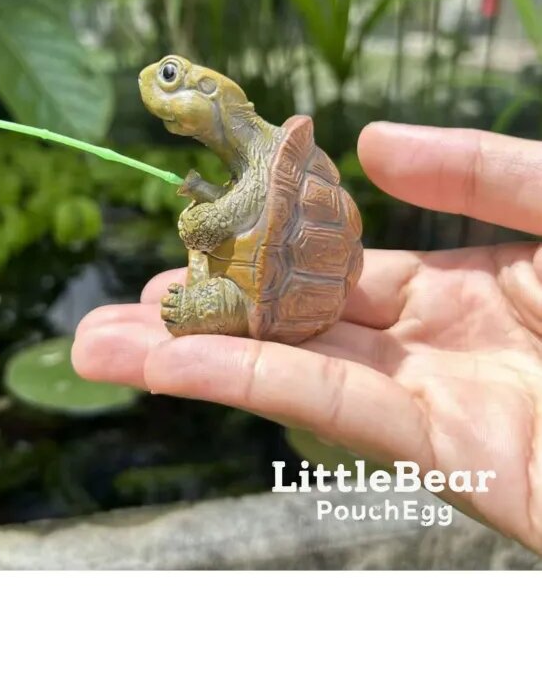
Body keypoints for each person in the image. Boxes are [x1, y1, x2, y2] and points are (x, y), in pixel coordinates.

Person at [72, 121, 542, 553]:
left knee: (192, 303)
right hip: (268, 273)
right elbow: (214, 222)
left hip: (266, 293)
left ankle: (210, 299)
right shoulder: (259, 175)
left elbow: (209, 224)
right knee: (203, 254)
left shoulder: (266, 171)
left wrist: (209, 223)